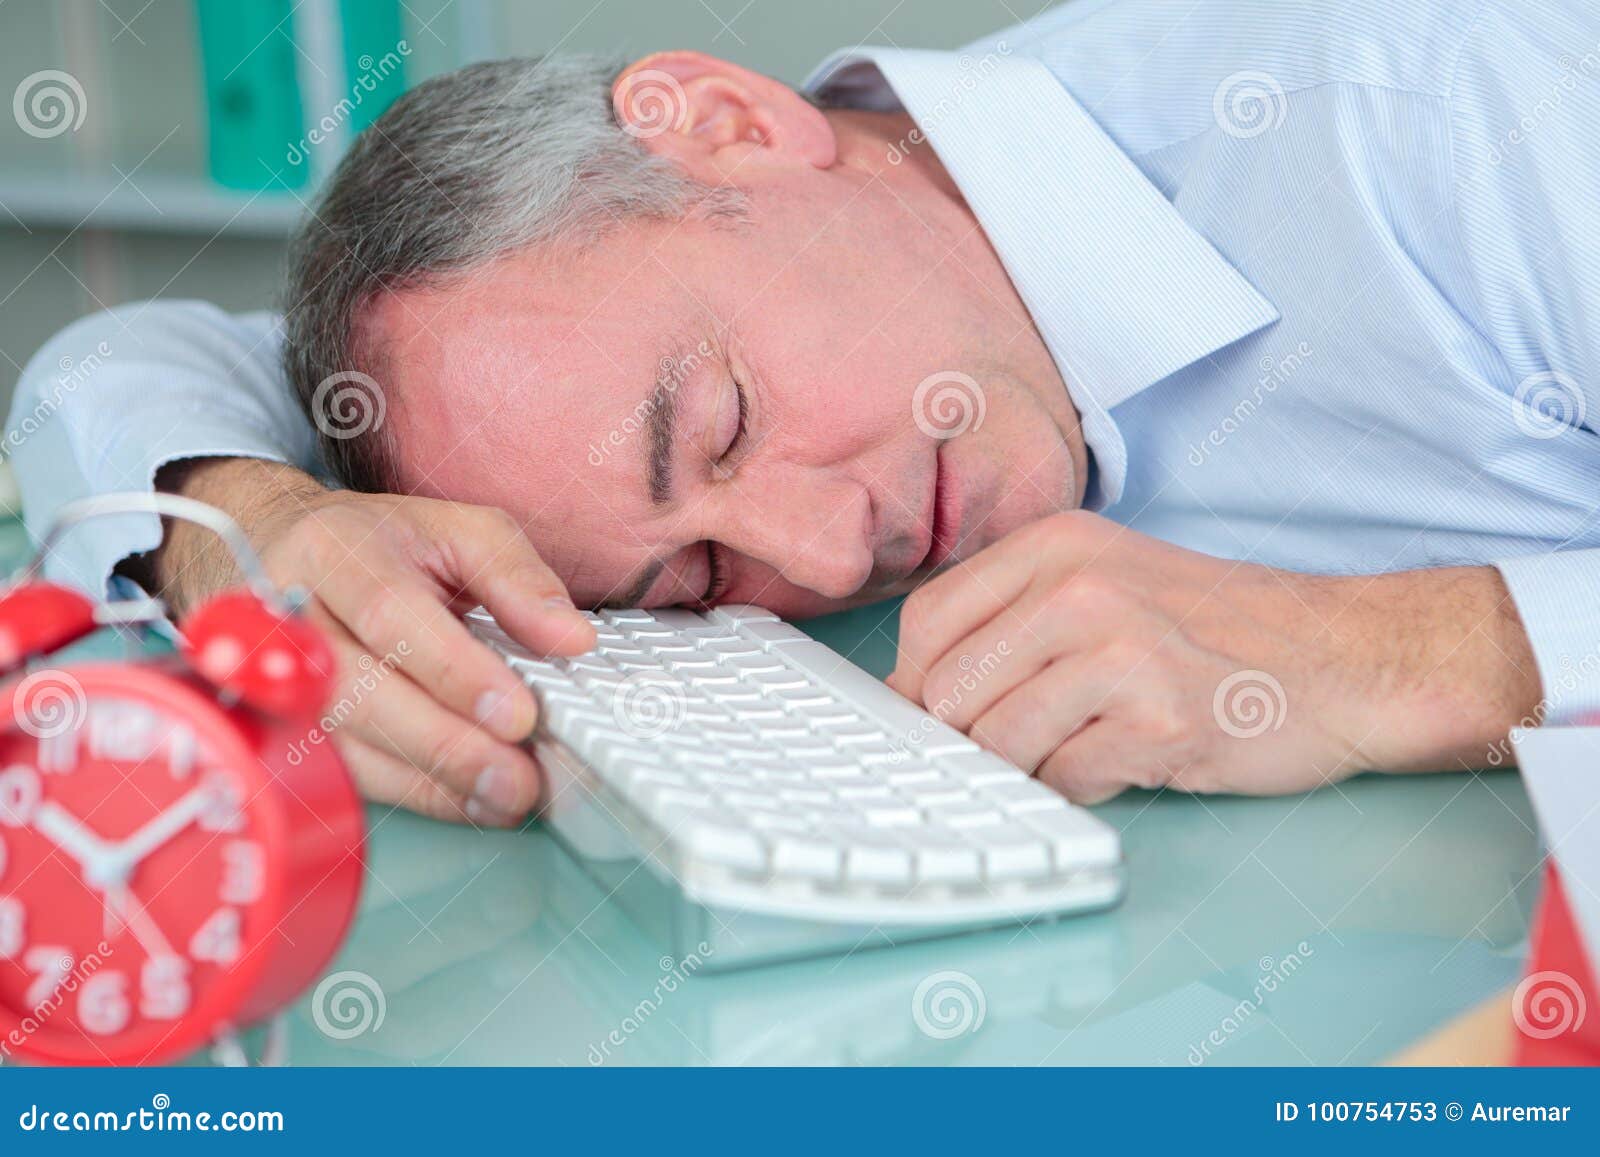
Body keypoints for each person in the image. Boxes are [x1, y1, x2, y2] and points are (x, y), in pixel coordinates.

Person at [11, 1, 1598, 829]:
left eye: (721, 425)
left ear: (732, 125)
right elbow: (134, 354)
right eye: (698, 577)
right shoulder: (591, 338)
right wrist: (248, 521)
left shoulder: (1461, 114)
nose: (826, 555)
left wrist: (1411, 654)